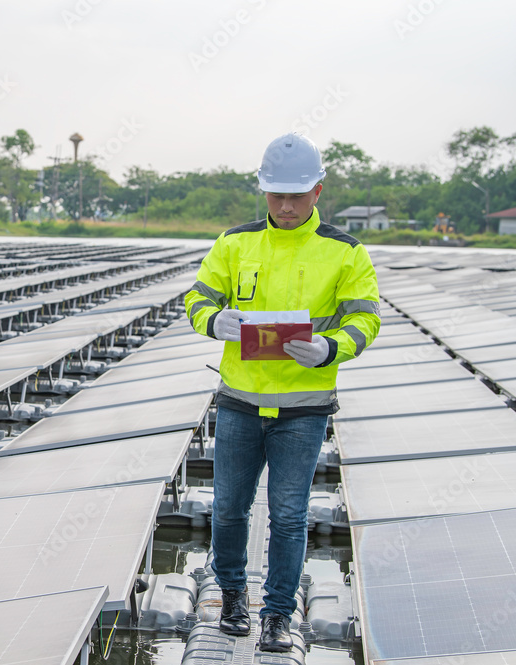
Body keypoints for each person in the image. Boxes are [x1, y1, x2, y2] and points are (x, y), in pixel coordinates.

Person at [183, 133, 380, 652]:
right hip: (241, 404)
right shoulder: (235, 243)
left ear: (318, 191)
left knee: (290, 515)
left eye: (297, 195)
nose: (287, 206)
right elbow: (197, 299)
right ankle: (229, 597)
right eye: (277, 195)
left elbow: (366, 317)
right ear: (263, 192)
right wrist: (212, 320)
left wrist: (332, 347)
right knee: (228, 509)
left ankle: (276, 614)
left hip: (303, 410)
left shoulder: (345, 252)